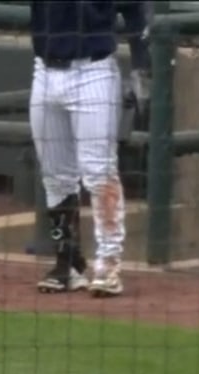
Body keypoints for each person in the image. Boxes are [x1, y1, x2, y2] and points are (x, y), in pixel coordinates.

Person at [29, 0, 150, 298]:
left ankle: (108, 265)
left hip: (93, 70)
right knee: (55, 176)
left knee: (98, 173)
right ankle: (68, 262)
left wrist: (141, 67)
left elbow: (136, 9)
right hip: (44, 70)